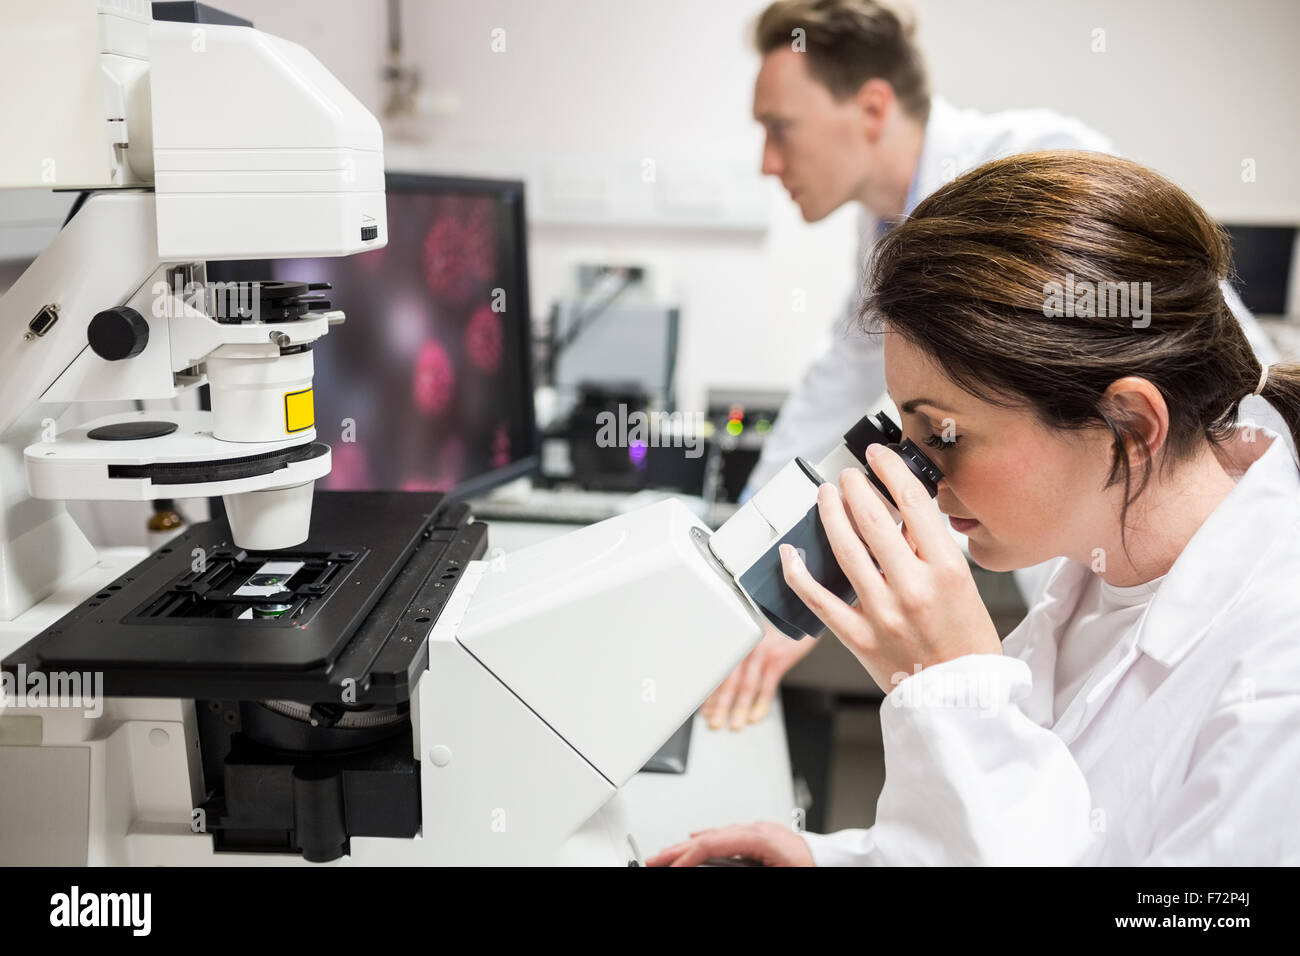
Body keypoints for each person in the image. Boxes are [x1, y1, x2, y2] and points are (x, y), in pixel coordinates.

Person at [651, 150, 1300, 865]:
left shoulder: (1276, 686)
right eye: (908, 430)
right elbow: (1029, 826)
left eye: (944, 434)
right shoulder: (1103, 570)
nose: (919, 476)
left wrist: (955, 687)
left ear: (1132, 428)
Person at [702, 0, 1284, 731]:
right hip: (1100, 552)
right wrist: (745, 565)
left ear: (873, 107)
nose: (766, 161)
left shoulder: (1026, 178)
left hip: (1171, 527)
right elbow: (836, 386)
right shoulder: (889, 230)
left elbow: (1191, 351)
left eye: (779, 127)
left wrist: (945, 676)